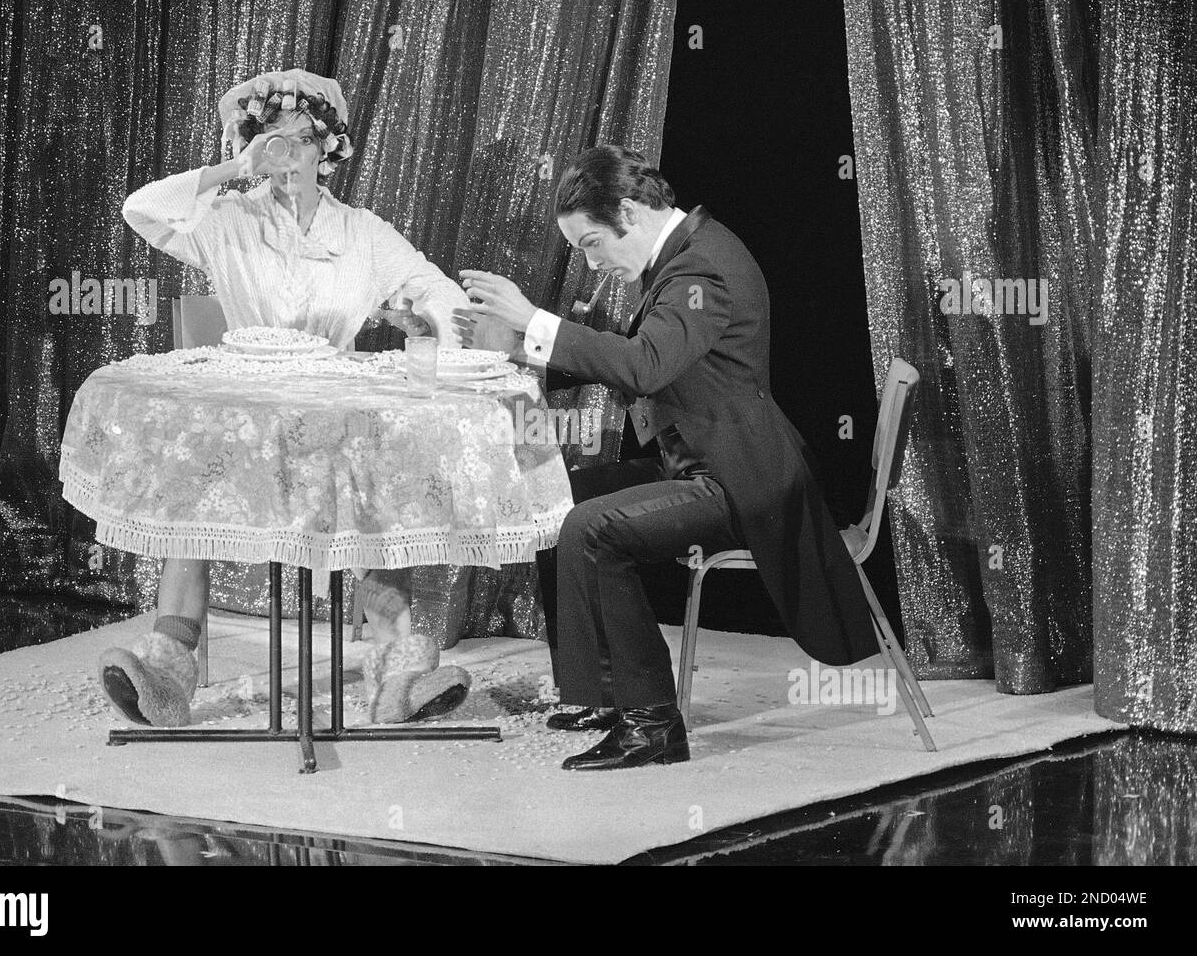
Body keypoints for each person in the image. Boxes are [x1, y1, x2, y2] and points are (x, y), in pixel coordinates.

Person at [454, 145, 878, 770]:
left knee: (592, 531)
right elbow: (639, 355)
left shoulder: (700, 270)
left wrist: (532, 319)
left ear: (628, 210)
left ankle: (652, 725)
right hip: (699, 460)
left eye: (593, 243)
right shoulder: (684, 255)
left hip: (739, 478)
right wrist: (519, 350)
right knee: (556, 502)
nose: (593, 263)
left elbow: (645, 366)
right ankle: (601, 692)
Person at [100, 68, 471, 728]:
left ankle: (397, 670)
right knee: (193, 474)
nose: (289, 155)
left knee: (374, 477)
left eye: (303, 140)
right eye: (273, 141)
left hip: (328, 415)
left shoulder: (361, 233)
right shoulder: (227, 220)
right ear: (255, 149)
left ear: (328, 150)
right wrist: (227, 170)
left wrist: (443, 332)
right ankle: (167, 672)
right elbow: (141, 209)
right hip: (244, 415)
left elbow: (431, 287)